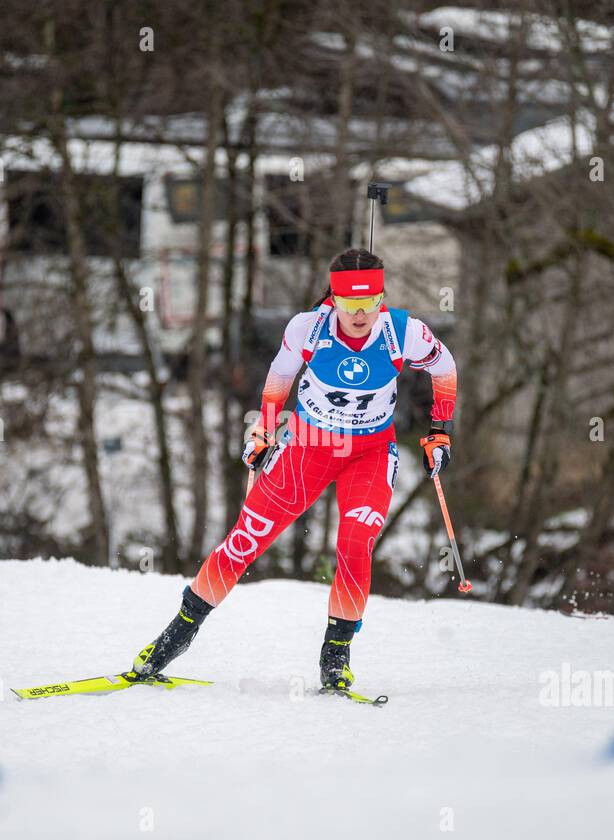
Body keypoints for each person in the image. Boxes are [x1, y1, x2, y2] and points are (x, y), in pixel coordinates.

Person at [129, 248, 459, 689]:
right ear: (333, 300)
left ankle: (335, 659)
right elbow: (278, 379)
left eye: (370, 304)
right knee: (245, 540)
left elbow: (445, 366)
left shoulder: (404, 332)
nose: (360, 315)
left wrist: (440, 429)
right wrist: (264, 430)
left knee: (356, 544)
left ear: (381, 298)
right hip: (309, 446)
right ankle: (171, 640)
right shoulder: (309, 328)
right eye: (349, 305)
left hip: (371, 452)